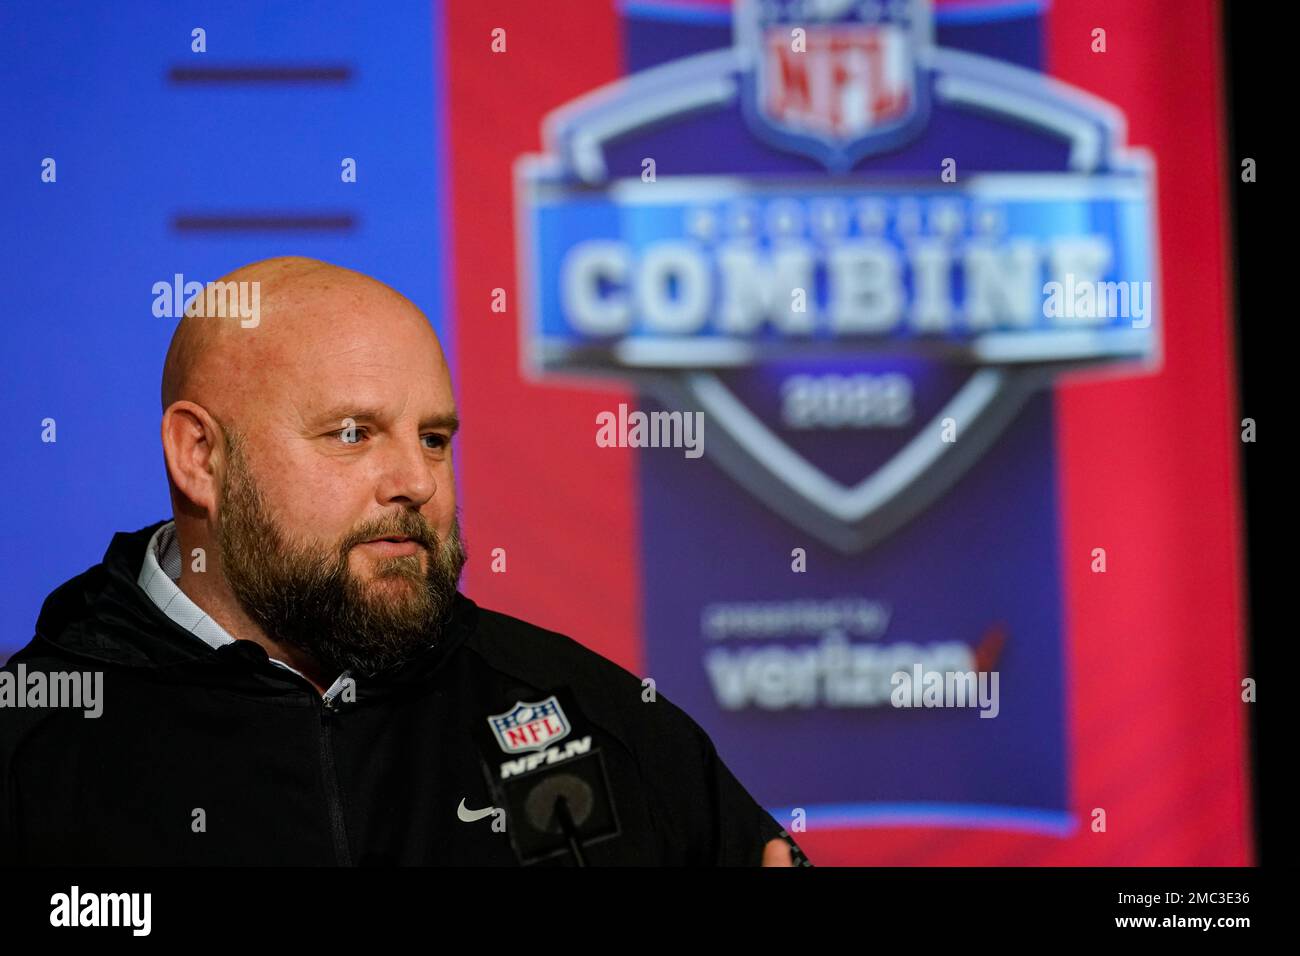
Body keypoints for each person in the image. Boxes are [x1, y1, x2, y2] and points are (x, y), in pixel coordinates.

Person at [0, 256, 810, 866]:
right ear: (200, 456)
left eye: (433, 438)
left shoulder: (596, 719)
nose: (417, 482)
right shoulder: (35, 750)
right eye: (352, 433)